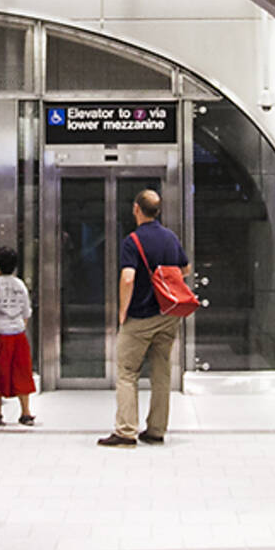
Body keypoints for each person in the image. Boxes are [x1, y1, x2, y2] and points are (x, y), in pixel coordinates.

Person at [98, 188, 188, 448]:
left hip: (140, 316)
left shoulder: (133, 241)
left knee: (127, 372)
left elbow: (128, 277)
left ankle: (126, 431)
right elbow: (185, 268)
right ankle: (157, 430)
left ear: (137, 209)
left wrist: (123, 310)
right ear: (157, 211)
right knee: (161, 372)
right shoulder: (170, 237)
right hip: (168, 315)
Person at [0, 245, 35, 427]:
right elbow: (26, 312)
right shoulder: (20, 285)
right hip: (18, 334)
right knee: (21, 373)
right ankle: (26, 412)